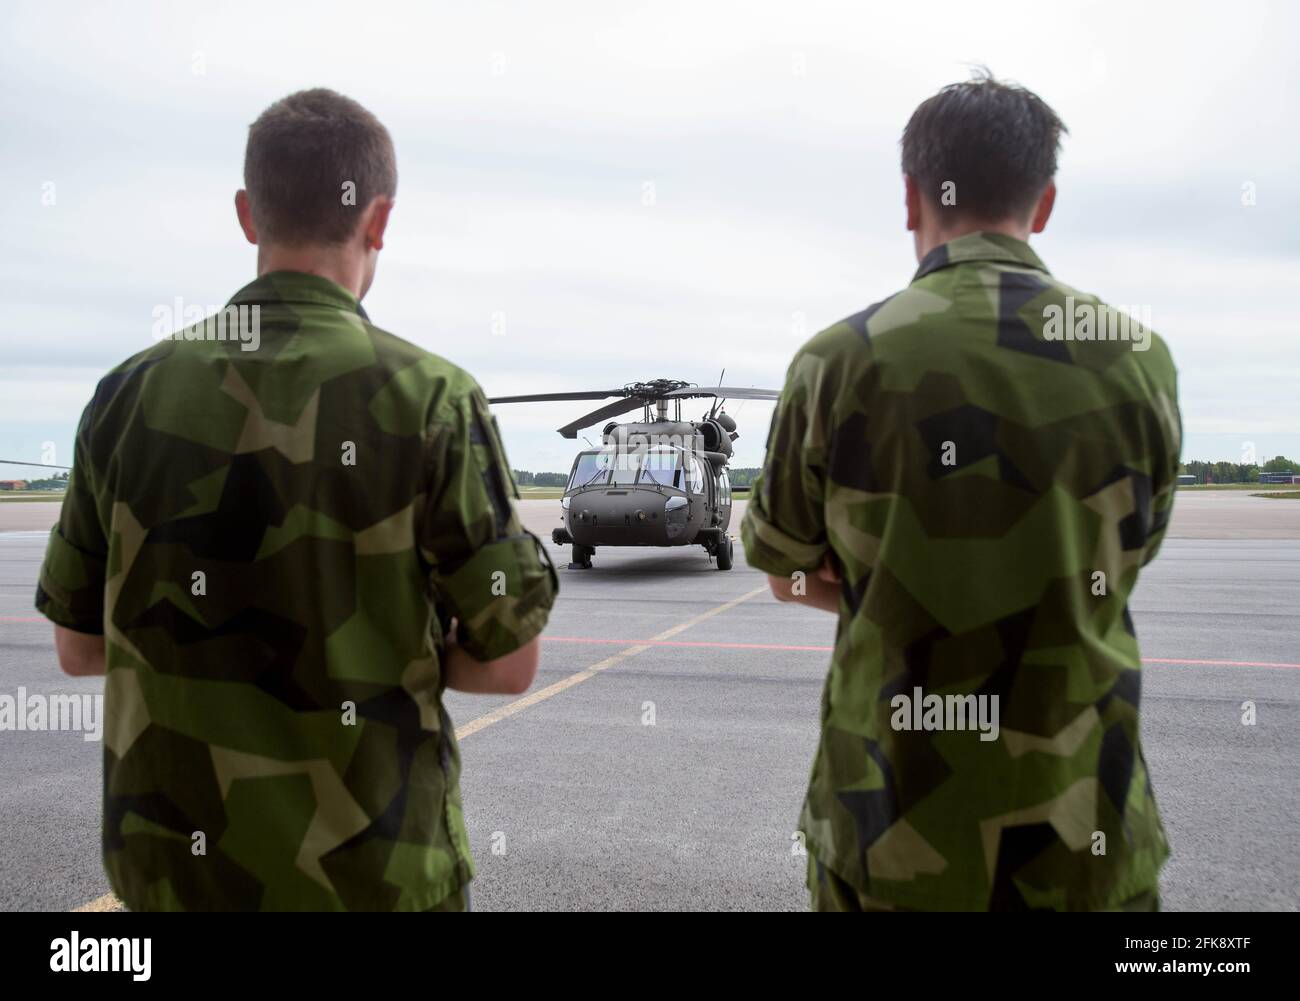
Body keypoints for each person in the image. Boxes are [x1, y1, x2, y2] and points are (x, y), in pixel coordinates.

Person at [35, 88, 557, 911]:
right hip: (372, 877)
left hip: (175, 877)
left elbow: (78, 647)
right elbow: (509, 662)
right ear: (378, 219)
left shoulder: (124, 396)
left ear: (248, 214)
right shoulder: (433, 400)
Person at [741, 72, 1181, 911]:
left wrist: (888, 590)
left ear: (912, 198)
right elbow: (1126, 553)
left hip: (892, 832)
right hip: (1082, 826)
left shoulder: (838, 362)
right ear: (1043, 202)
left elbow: (784, 571)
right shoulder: (1137, 358)